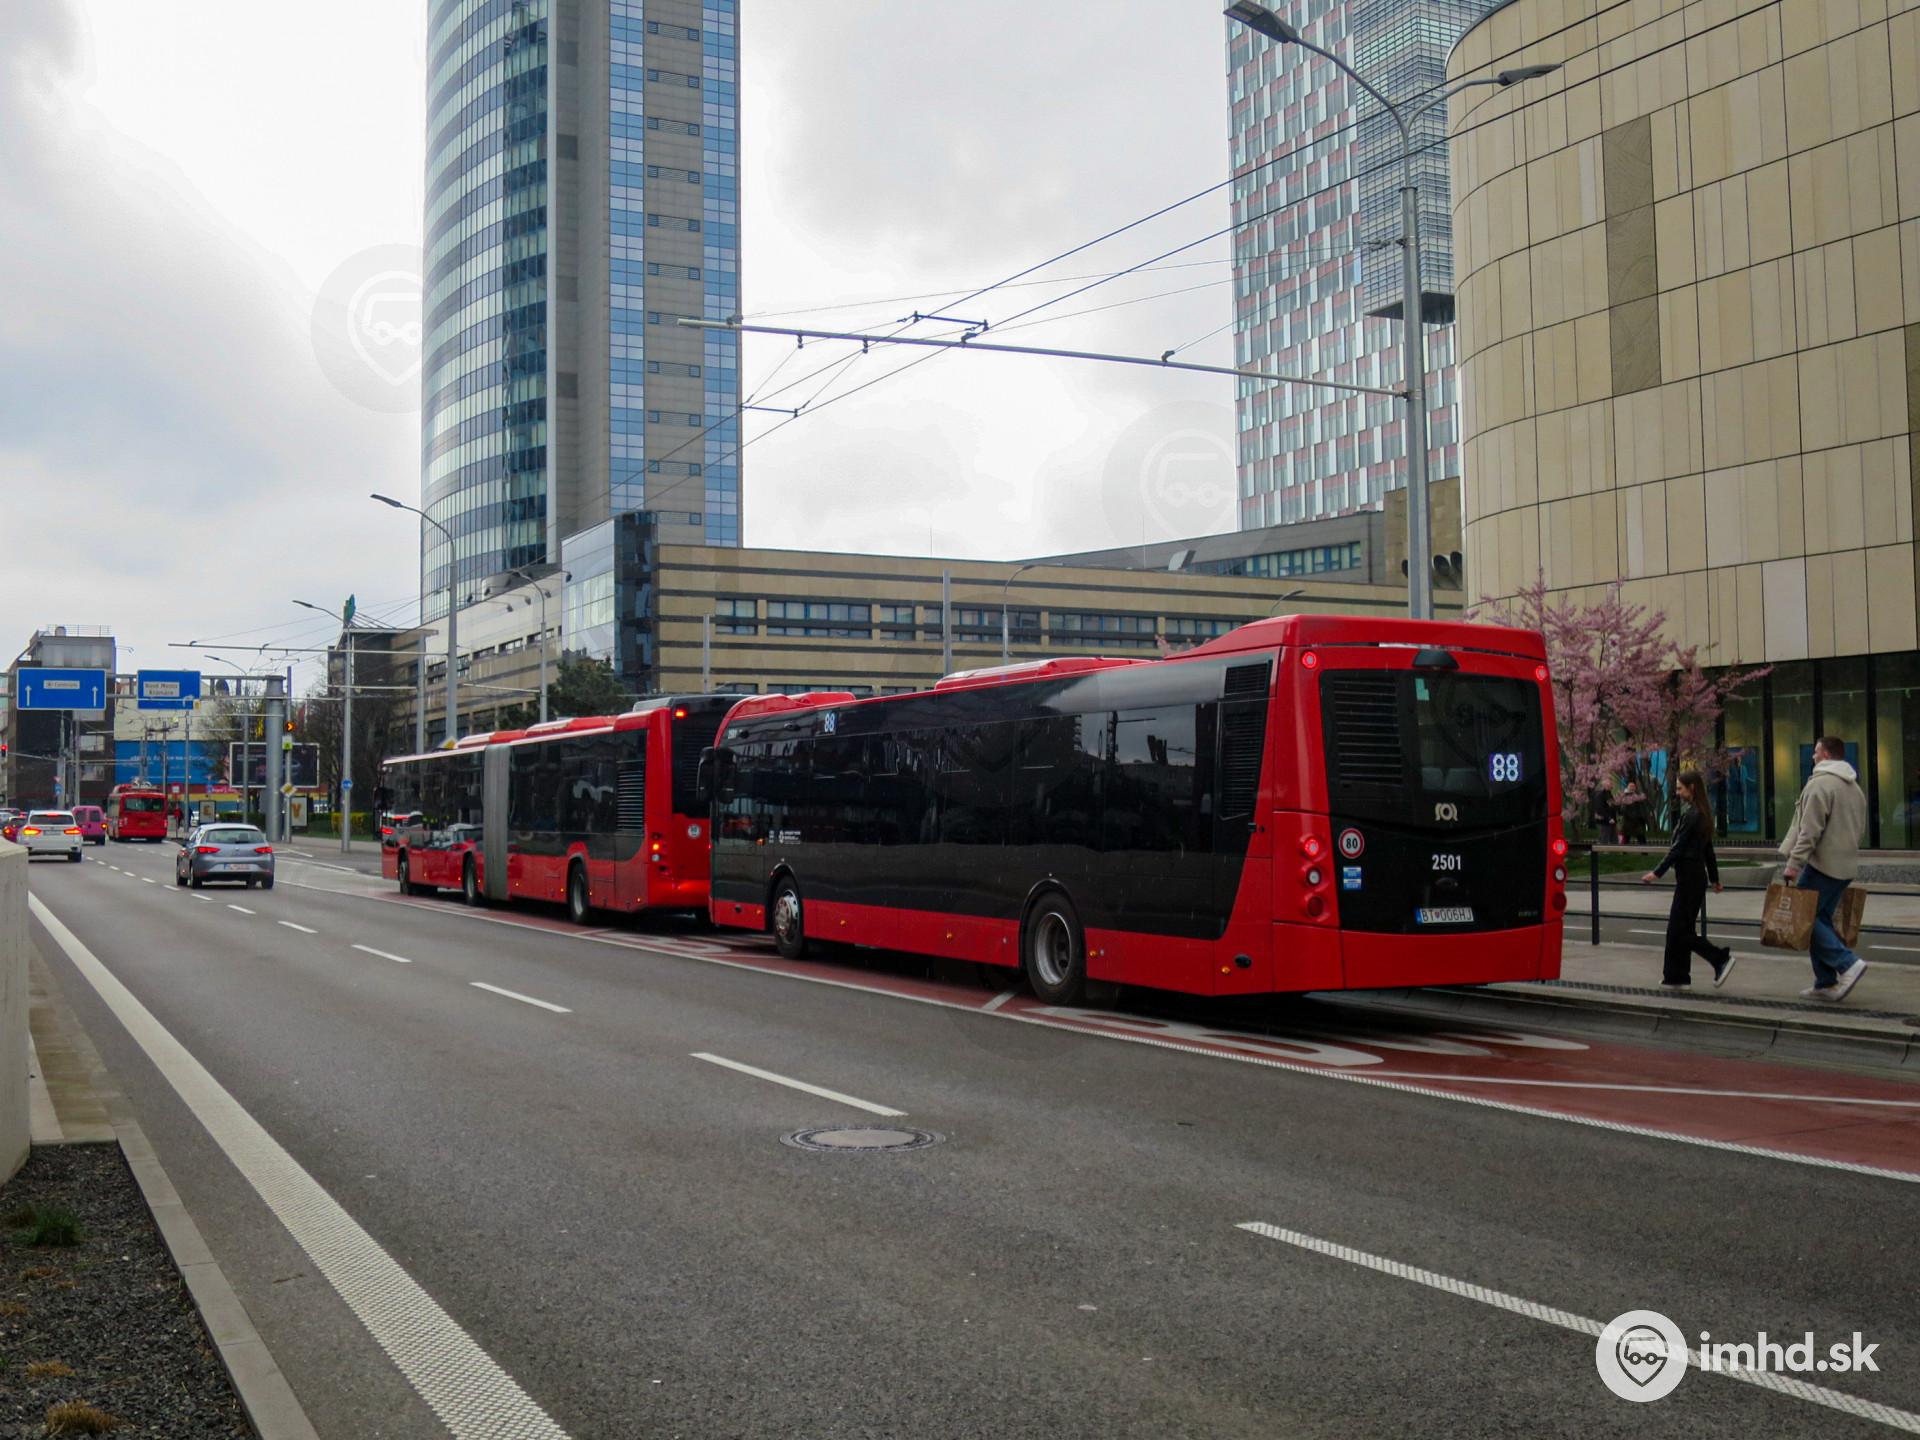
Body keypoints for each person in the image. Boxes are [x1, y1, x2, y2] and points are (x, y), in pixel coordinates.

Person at [1780, 736, 1869, 1001]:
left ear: (1827, 755)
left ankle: (1847, 964)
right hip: (1846, 864)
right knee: (1821, 919)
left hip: (1823, 864)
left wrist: (1793, 864)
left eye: (1816, 752)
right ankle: (1825, 981)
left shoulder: (1821, 785)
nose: (1813, 756)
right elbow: (1860, 829)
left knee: (1805, 918)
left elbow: (1809, 831)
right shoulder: (1854, 787)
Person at [1640, 768, 1734, 988]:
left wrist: (1657, 872)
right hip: (1694, 878)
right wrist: (1714, 878)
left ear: (1692, 788)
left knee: (1680, 930)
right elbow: (1707, 850)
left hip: (1690, 878)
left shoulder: (1693, 815)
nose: (1677, 792)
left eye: (1680, 788)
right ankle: (1676, 975)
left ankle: (1720, 958)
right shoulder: (1701, 813)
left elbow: (1678, 848)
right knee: (1678, 929)